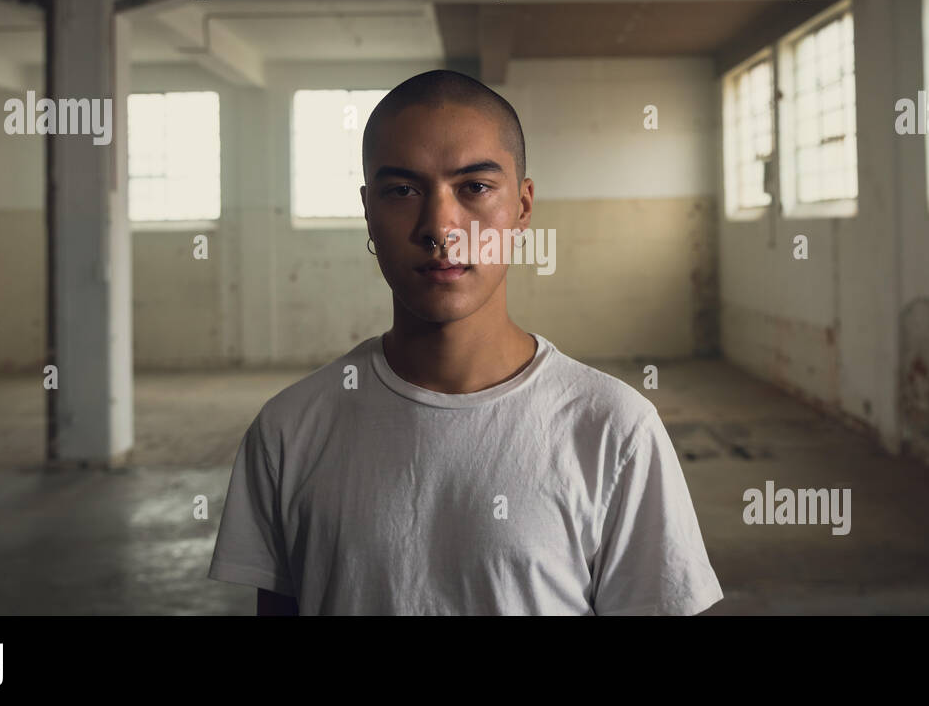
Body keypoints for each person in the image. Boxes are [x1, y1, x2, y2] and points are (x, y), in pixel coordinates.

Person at [207, 69, 722, 615]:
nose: (441, 226)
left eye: (474, 187)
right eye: (403, 190)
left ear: (523, 207)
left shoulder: (613, 429)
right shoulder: (290, 429)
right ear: (368, 210)